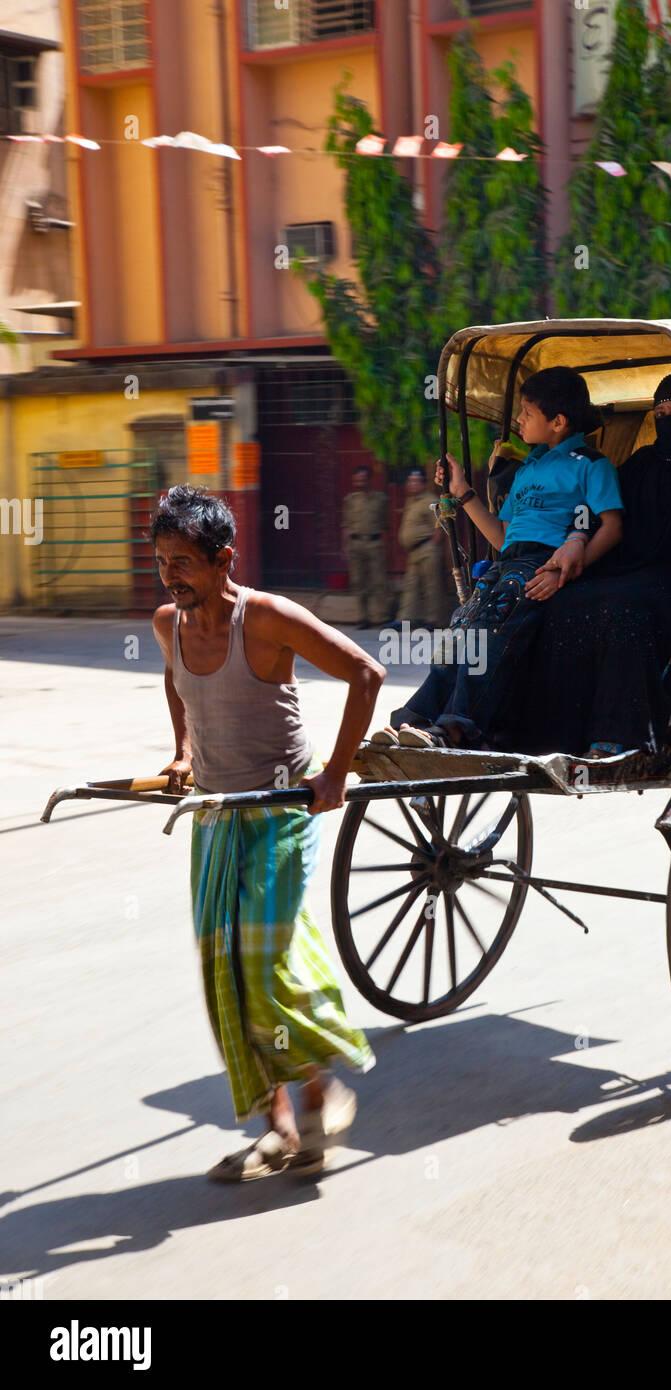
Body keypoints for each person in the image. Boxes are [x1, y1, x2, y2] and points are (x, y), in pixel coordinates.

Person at [150, 485, 385, 1182]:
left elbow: (366, 674)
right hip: (217, 814)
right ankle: (279, 1128)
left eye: (184, 562)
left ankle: (321, 1090)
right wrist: (184, 753)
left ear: (224, 559)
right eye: (162, 562)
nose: (171, 577)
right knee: (223, 970)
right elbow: (175, 683)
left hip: (281, 809)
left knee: (266, 967)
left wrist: (336, 774)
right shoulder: (168, 623)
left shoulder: (270, 619)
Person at [497, 373, 671, 761]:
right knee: (566, 603)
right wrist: (576, 541)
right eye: (661, 412)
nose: (670, 419)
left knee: (626, 609)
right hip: (628, 569)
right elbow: (602, 517)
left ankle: (616, 735)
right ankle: (554, 734)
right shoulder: (643, 462)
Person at [375, 367, 624, 749]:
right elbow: (503, 536)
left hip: (543, 564)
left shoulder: (590, 464)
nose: (519, 420)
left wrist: (570, 569)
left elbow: (610, 526)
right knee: (458, 633)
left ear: (557, 422)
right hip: (506, 564)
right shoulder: (528, 467)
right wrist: (462, 492)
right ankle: (416, 718)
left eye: (527, 412)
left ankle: (456, 727)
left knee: (484, 634)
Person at [341, 465, 389, 629]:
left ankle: (383, 617)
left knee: (379, 581)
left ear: (369, 479)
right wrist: (345, 547)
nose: (359, 482)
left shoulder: (380, 499)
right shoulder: (350, 500)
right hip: (355, 544)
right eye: (356, 479)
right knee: (358, 582)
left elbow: (385, 522)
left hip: (374, 542)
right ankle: (363, 617)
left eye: (362, 479)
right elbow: (346, 525)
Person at [397, 467, 445, 628]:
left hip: (427, 548)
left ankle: (434, 620)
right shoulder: (411, 501)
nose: (413, 484)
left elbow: (440, 525)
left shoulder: (430, 500)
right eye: (410, 481)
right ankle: (404, 620)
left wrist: (433, 546)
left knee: (431, 586)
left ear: (424, 483)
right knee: (411, 586)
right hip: (414, 551)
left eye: (416, 481)